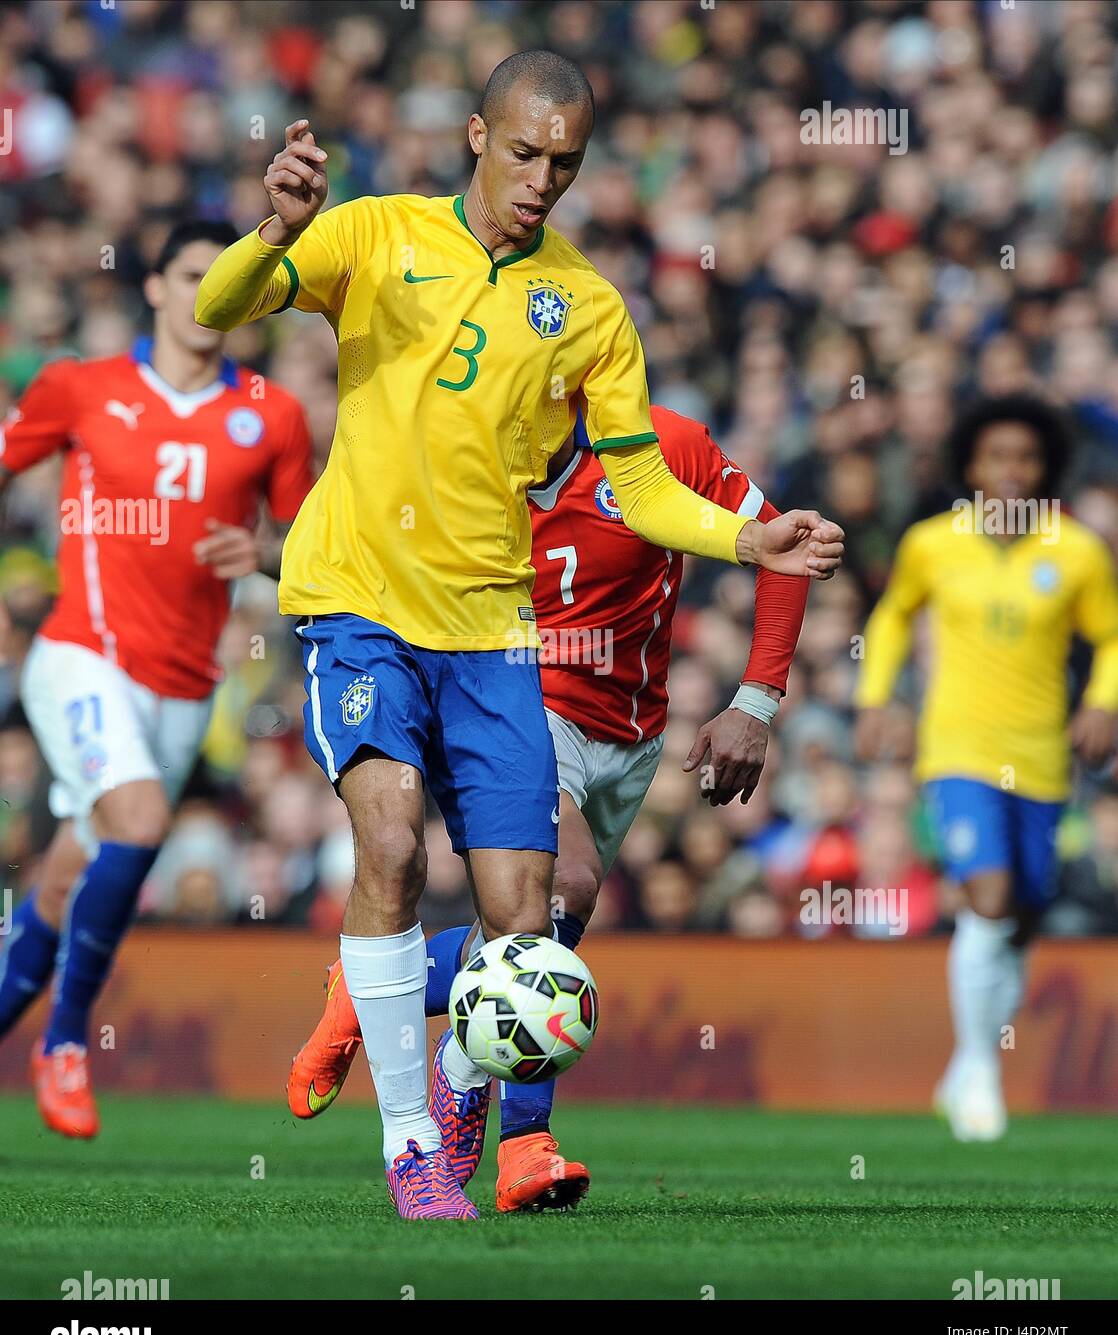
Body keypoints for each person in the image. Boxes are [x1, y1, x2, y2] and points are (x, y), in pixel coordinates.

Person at [195, 49, 843, 1220]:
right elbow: (216, 307)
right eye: (528, 153)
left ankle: (420, 1061)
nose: (544, 179)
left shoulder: (588, 308)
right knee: (388, 846)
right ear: (477, 143)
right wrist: (270, 229)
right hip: (357, 600)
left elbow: (640, 485)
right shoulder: (372, 233)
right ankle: (413, 1147)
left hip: (493, 633)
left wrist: (745, 546)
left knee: (525, 918)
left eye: (568, 162)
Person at [287, 404, 810, 1213]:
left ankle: (386, 1000)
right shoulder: (462, 466)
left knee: (529, 920)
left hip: (633, 727)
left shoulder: (662, 446)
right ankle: (523, 1147)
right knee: (564, 886)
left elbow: (785, 547)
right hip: (518, 704)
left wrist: (757, 701)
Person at [0, 219, 315, 1138]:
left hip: (185, 692)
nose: (207, 293)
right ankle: (63, 1045)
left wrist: (261, 553)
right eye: (190, 275)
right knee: (136, 824)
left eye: (226, 279)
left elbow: (310, 554)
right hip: (81, 656)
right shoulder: (82, 388)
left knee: (64, 885)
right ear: (155, 288)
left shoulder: (274, 415)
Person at [854, 394, 1118, 1140]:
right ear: (972, 464)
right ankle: (980, 1070)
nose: (1010, 470)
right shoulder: (934, 543)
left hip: (1041, 758)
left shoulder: (1078, 552)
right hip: (958, 751)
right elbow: (894, 614)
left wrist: (1103, 701)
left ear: (1046, 468)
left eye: (1025, 458)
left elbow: (1111, 636)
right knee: (990, 896)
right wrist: (875, 698)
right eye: (996, 456)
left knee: (1025, 913)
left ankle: (969, 1067)